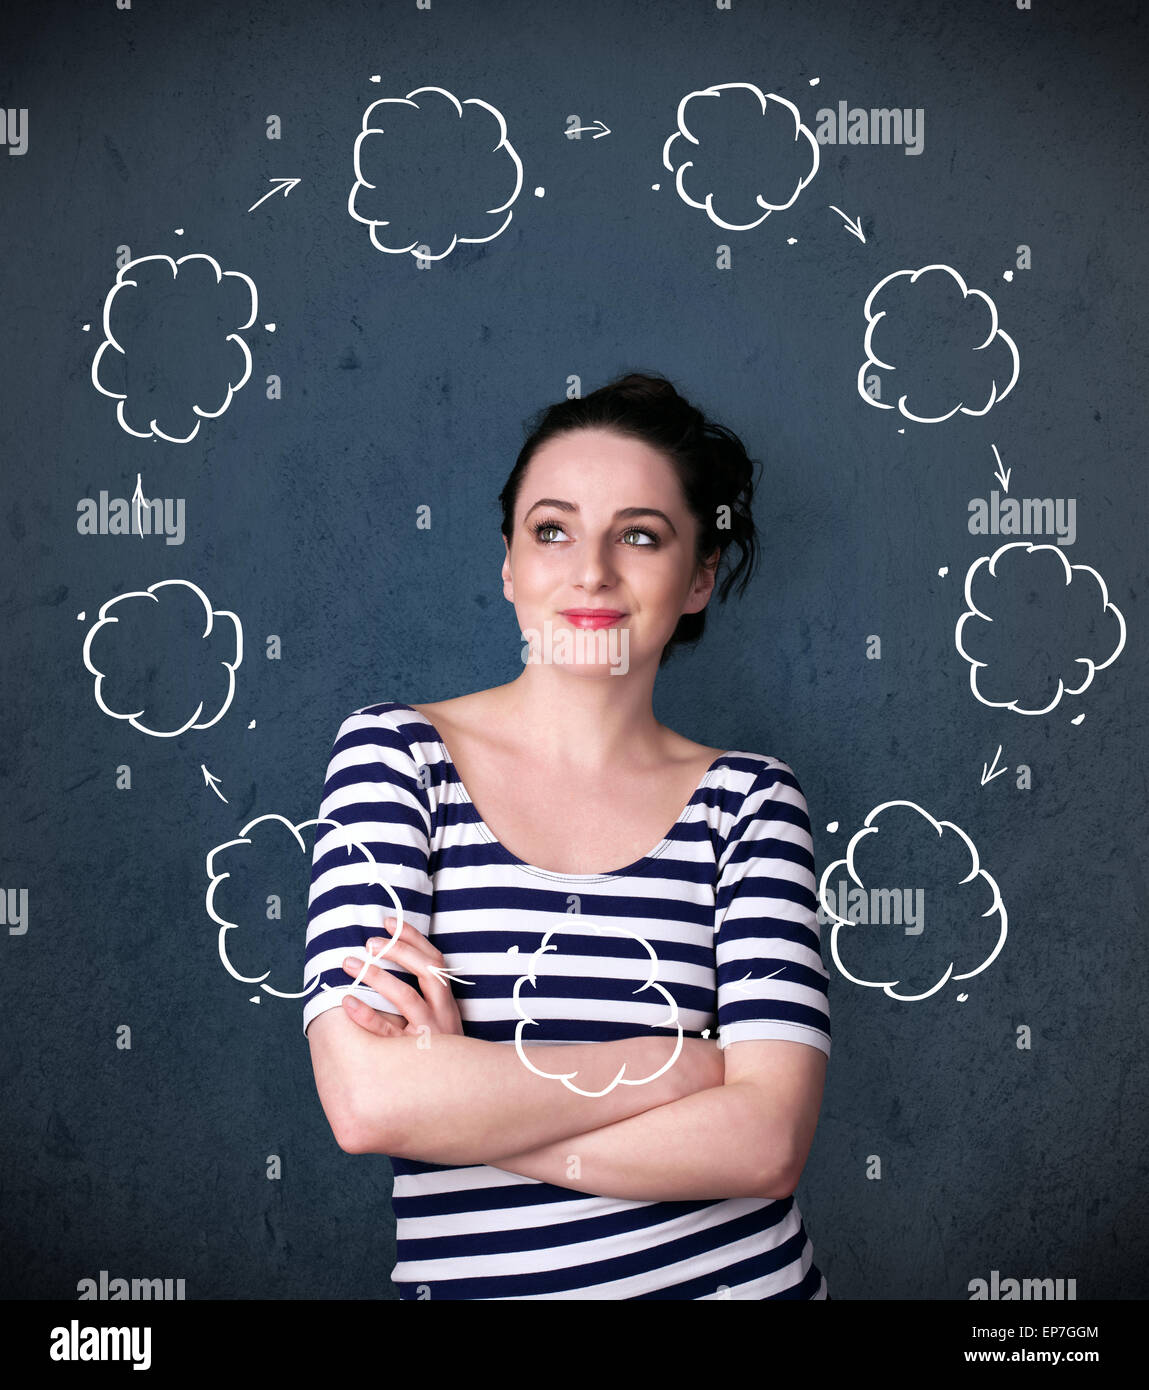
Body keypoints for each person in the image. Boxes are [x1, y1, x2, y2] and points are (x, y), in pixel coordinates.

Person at [303, 372, 832, 1299]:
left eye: (638, 534)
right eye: (552, 530)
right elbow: (368, 1102)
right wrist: (673, 1067)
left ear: (699, 575)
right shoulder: (395, 755)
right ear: (509, 563)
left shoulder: (750, 801)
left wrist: (465, 1097)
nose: (590, 570)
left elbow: (763, 1145)